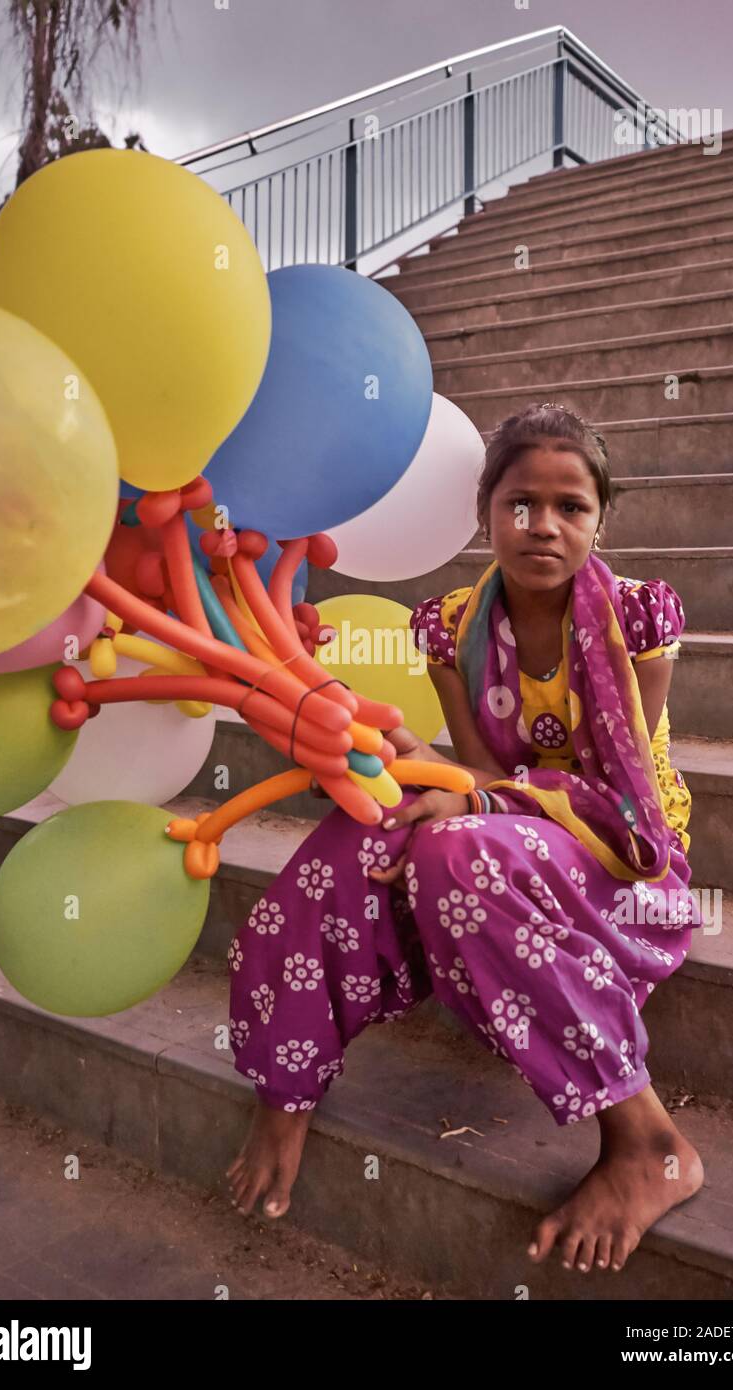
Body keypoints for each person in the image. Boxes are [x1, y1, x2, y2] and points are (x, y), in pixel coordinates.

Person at [226, 402, 704, 1277]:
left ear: (601, 519)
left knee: (455, 853)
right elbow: (482, 769)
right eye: (521, 503)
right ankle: (287, 1081)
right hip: (512, 829)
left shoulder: (638, 620)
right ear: (488, 510)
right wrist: (409, 764)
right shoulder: (453, 624)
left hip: (624, 853)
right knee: (356, 836)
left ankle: (647, 1139)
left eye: (572, 508)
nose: (543, 527)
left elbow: (615, 793)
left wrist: (472, 805)